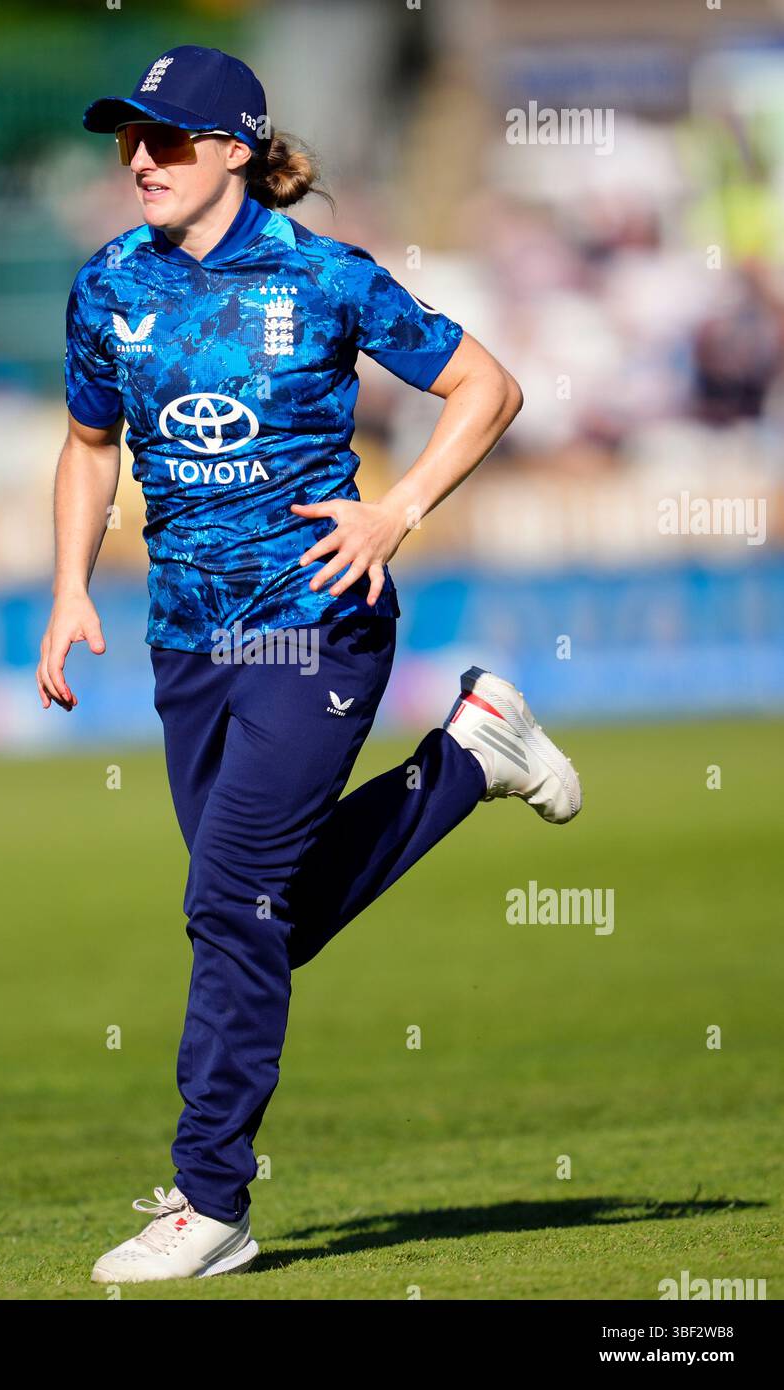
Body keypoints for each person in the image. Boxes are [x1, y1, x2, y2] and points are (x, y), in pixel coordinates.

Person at [36, 45, 582, 1284]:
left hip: (315, 623)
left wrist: (396, 511)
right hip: (186, 640)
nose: (139, 160)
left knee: (229, 902)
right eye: (128, 138)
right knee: (261, 918)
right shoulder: (106, 284)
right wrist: (70, 586)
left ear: (233, 147)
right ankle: (467, 757)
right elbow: (85, 444)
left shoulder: (325, 276)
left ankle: (211, 1200)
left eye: (166, 139)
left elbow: (483, 388)